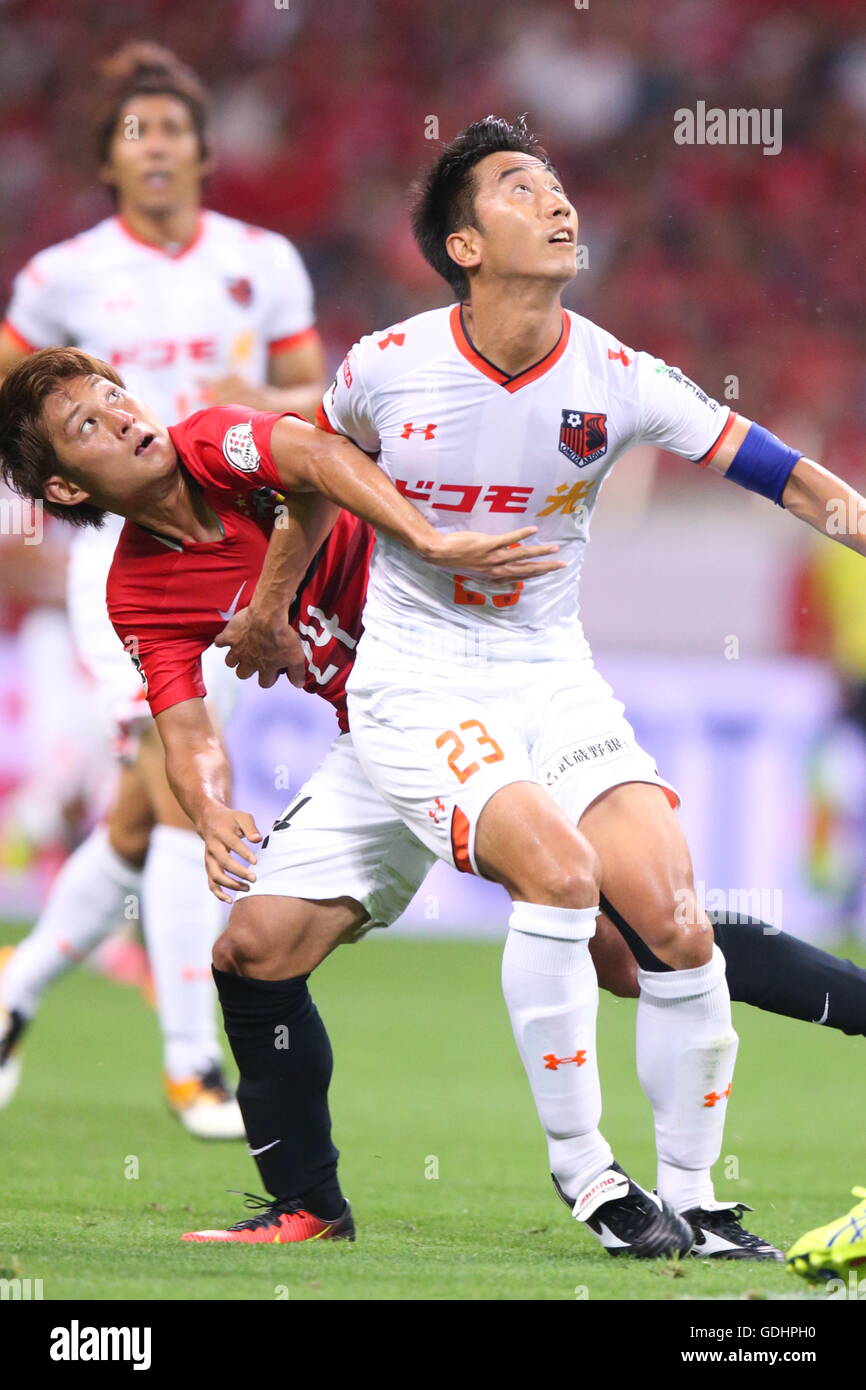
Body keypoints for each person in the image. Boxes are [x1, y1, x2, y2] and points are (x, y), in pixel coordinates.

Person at [2, 350, 865, 1256]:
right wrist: (212, 811)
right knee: (252, 949)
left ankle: (630, 1160)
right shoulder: (134, 589)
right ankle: (307, 1206)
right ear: (64, 491)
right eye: (87, 425)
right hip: (379, 735)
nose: (123, 417)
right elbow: (185, 734)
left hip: (469, 680)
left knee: (630, 949)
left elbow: (325, 460)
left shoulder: (215, 444)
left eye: (114, 395)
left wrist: (407, 545)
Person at [0, 43, 326, 1135]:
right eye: (134, 133)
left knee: (150, 806)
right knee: (181, 782)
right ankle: (194, 1062)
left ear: (201, 149)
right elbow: (10, 420)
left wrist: (257, 393)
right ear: (108, 160)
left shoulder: (262, 261)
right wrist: (17, 531)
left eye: (172, 130)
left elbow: (311, 388)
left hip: (229, 536)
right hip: (121, 556)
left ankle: (14, 990)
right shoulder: (60, 278)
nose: (155, 149)